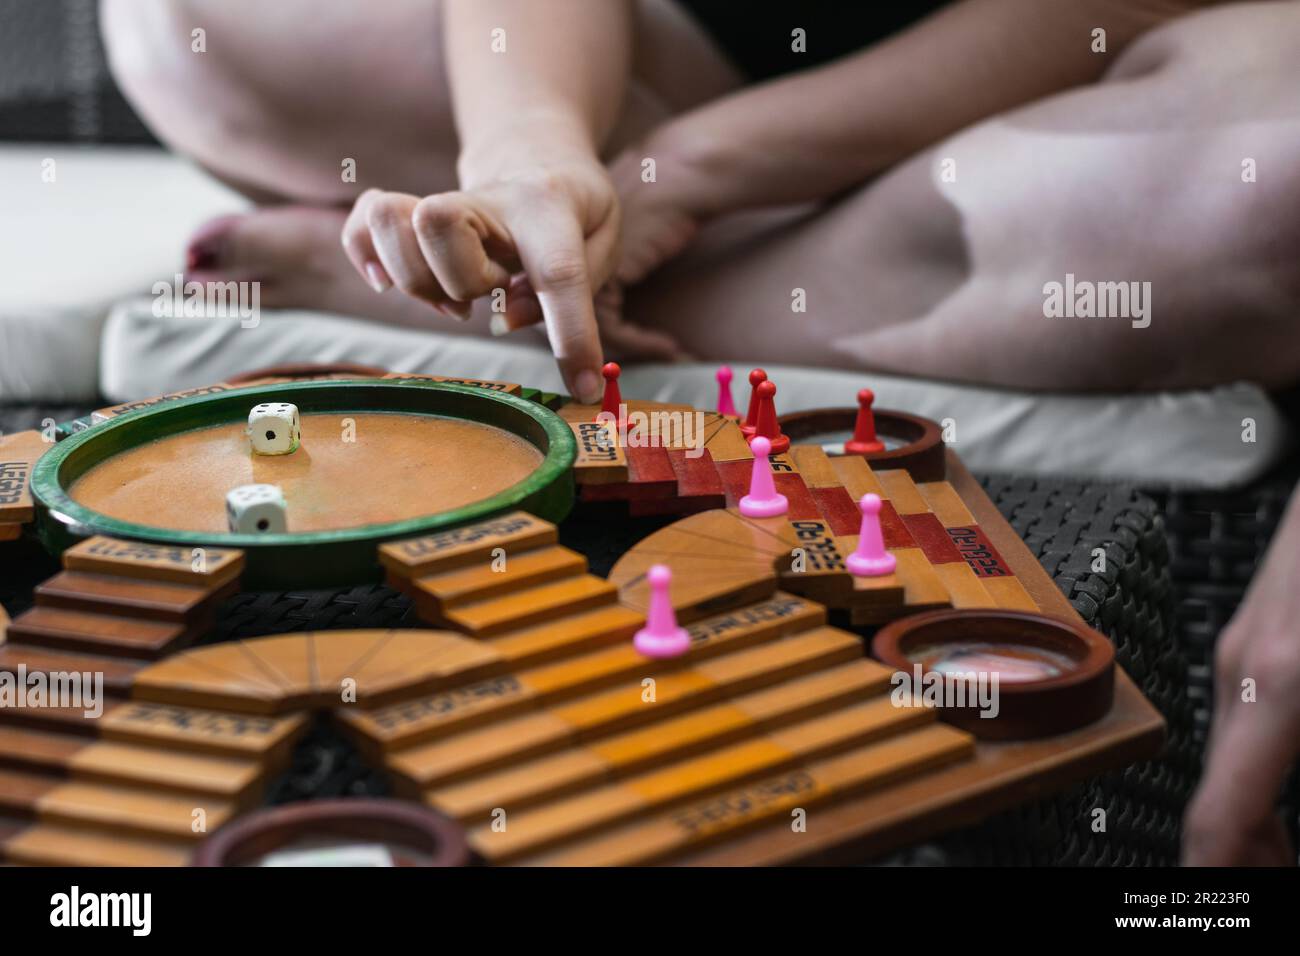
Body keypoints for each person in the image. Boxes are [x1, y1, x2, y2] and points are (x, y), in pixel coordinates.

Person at [100, 0, 1300, 864]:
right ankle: (571, 245)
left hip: (1068, 88)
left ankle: (617, 272)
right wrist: (528, 157)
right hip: (654, 61)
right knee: (187, 22)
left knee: (1271, 187)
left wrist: (691, 171)